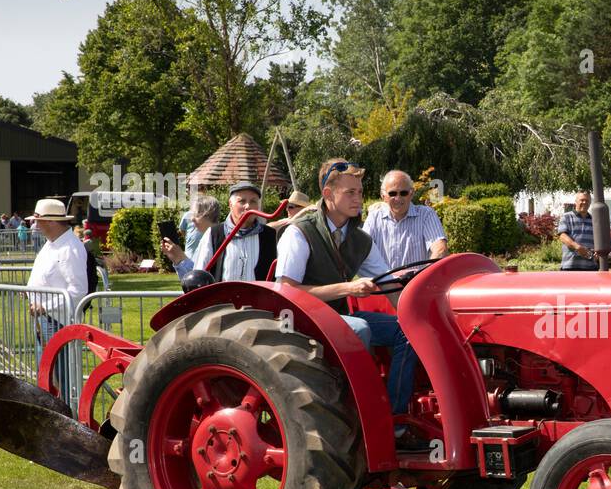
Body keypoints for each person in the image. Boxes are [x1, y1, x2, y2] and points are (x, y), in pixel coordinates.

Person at [275, 159, 421, 447]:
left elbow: (387, 281)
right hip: (301, 320)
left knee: (408, 330)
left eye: (360, 191)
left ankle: (394, 417)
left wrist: (413, 314)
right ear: (328, 195)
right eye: (350, 193)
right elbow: (287, 292)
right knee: (359, 330)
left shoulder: (358, 238)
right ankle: (360, 412)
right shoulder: (300, 232)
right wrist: (348, 287)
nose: (358, 199)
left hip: (336, 318)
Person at [24, 198, 89, 399]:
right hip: (45, 319)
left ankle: (68, 415)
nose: (36, 225)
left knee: (61, 376)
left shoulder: (70, 248)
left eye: (38, 221)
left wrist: (45, 306)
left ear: (51, 221)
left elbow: (78, 290)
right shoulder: (53, 244)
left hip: (57, 321)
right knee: (46, 374)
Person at [164, 182, 276, 282]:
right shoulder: (213, 234)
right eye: (242, 201)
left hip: (260, 304)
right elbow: (199, 276)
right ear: (230, 204)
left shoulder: (270, 236)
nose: (248, 206)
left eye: (253, 201)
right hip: (223, 304)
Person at [362, 169, 447, 270]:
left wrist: (422, 277)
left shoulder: (426, 215)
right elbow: (361, 252)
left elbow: (440, 249)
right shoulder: (374, 218)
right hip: (384, 284)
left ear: (411, 194)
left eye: (403, 193)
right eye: (392, 193)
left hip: (419, 283)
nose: (398, 198)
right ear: (383, 196)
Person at [557, 190, 598, 271]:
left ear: (590, 203)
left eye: (587, 200)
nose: (584, 202)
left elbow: (599, 240)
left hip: (590, 266)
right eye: (582, 200)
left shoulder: (594, 220)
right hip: (570, 265)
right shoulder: (566, 217)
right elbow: (562, 236)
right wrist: (578, 247)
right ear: (576, 202)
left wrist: (598, 251)